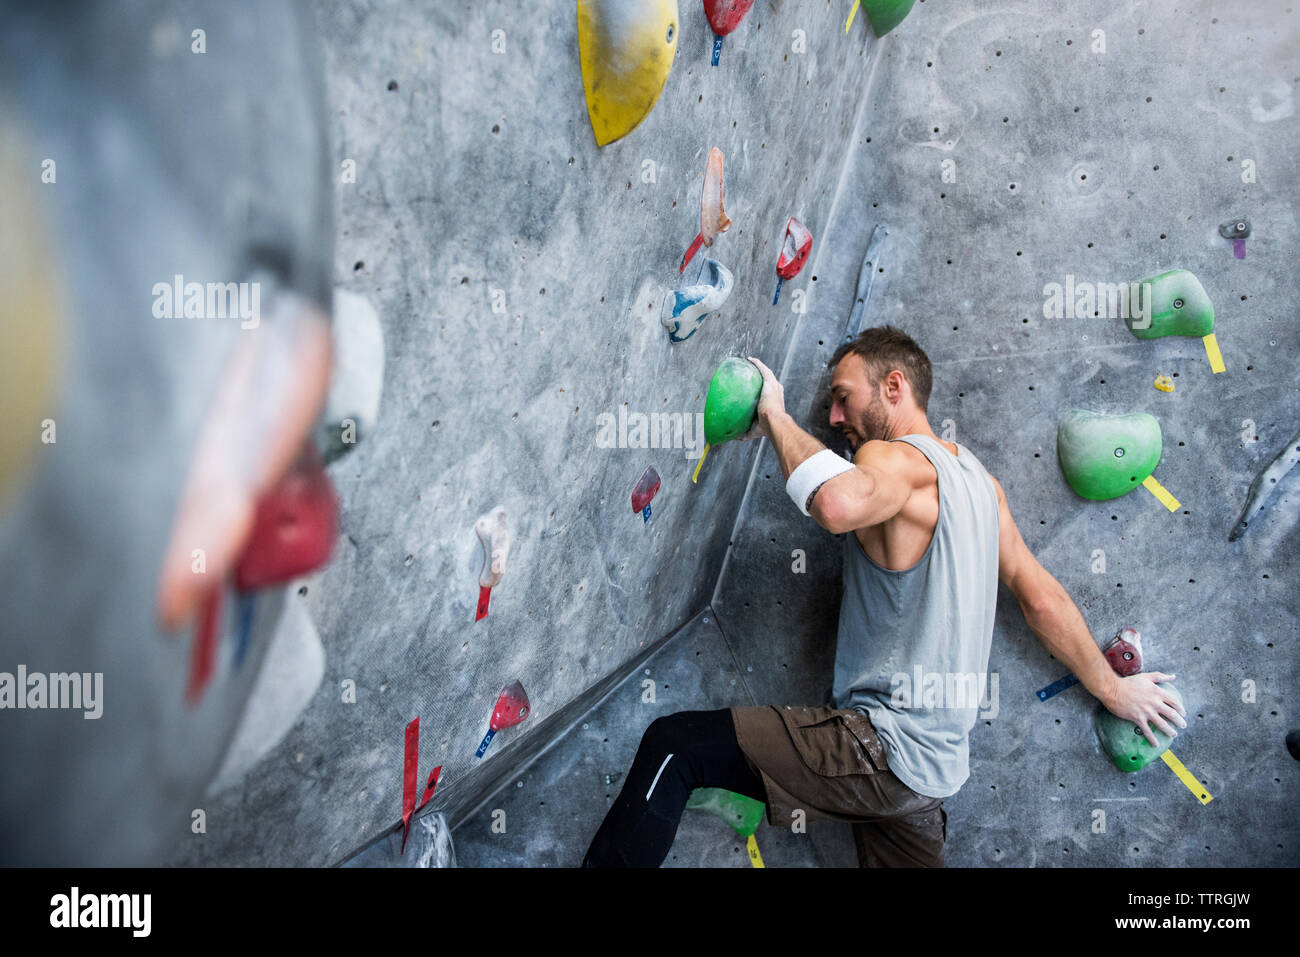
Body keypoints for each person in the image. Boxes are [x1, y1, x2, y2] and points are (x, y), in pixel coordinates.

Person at [583, 325, 1186, 867]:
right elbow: (1041, 599)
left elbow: (838, 504)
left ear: (894, 384)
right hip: (931, 776)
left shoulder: (895, 458)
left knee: (676, 747)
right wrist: (1112, 690)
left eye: (844, 396)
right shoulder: (980, 484)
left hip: (881, 746)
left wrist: (773, 416)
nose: (837, 416)